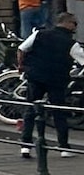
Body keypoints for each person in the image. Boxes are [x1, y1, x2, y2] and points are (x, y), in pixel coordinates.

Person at [18, 11, 79, 159]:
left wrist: (22, 66)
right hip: (56, 80)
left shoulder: (39, 34)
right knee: (59, 112)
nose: (75, 27)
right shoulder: (71, 43)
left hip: (36, 76)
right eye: (74, 24)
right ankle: (63, 147)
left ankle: (25, 145)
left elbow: (21, 49)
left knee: (31, 109)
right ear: (68, 23)